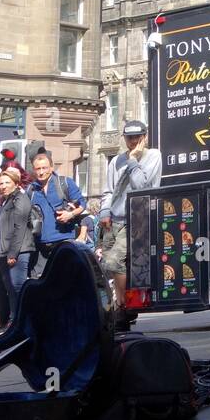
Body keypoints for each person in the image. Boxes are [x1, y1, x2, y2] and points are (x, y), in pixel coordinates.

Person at [100, 121, 161, 317]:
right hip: (114, 219)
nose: (133, 141)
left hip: (137, 218)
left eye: (137, 137)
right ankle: (121, 306)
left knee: (115, 261)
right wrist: (104, 212)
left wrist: (134, 160)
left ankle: (124, 306)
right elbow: (109, 191)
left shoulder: (153, 156)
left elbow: (141, 186)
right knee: (107, 265)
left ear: (145, 137)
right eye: (129, 137)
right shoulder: (115, 161)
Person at [0, 167, 34, 329]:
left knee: (17, 287)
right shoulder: (5, 201)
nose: (3, 186)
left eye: (7, 182)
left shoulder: (21, 199)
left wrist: (13, 253)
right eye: (0, 183)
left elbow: (20, 227)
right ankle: (14, 322)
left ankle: (20, 322)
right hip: (3, 252)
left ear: (16, 183)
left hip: (18, 251)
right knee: (10, 289)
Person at [27, 151, 86, 277]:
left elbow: (82, 204)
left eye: (44, 168)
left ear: (51, 168)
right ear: (33, 170)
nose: (41, 172)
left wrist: (70, 214)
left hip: (63, 242)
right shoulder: (30, 189)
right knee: (41, 284)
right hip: (40, 246)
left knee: (64, 281)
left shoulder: (64, 183)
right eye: (38, 169)